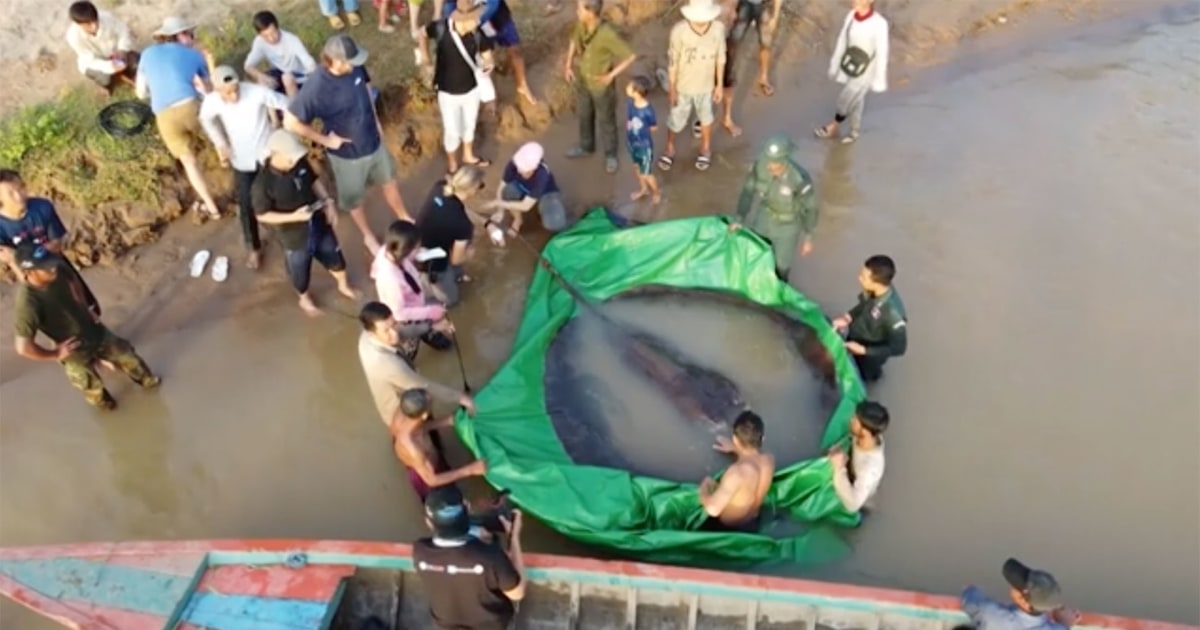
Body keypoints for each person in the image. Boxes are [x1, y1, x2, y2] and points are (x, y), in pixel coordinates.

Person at [285, 34, 412, 255]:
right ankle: (368, 236)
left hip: (374, 142)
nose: (355, 65)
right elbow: (290, 122)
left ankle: (404, 216)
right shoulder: (317, 87)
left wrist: (376, 120)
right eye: (350, 62)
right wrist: (326, 141)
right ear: (335, 61)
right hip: (348, 156)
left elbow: (366, 88)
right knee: (354, 200)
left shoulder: (355, 67)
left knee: (389, 180)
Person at [11, 243, 160, 410]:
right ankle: (107, 408)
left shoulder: (59, 268)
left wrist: (86, 308)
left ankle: (149, 383)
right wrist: (56, 354)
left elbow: (74, 283)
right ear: (29, 272)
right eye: (46, 267)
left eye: (50, 262)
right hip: (73, 350)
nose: (52, 268)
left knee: (128, 356)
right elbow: (23, 347)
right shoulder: (28, 303)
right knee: (92, 388)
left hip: (94, 331)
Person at [251, 130, 358, 316]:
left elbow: (314, 181)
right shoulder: (263, 184)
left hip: (318, 223)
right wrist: (294, 217)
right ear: (275, 154)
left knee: (336, 258)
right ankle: (304, 297)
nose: (294, 160)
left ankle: (344, 285)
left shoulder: (300, 163)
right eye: (290, 156)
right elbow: (262, 215)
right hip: (293, 236)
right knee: (300, 273)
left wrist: (328, 202)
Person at [199, 66, 290, 271]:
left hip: (267, 157)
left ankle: (290, 240)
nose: (234, 96)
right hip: (241, 161)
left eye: (236, 90)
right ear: (217, 90)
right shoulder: (211, 101)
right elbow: (206, 120)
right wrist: (220, 143)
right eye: (228, 93)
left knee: (281, 198)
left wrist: (283, 129)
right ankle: (254, 248)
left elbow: (286, 104)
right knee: (246, 205)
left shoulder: (257, 92)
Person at [136, 16, 221, 221]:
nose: (193, 38)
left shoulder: (147, 54)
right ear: (181, 35)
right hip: (189, 106)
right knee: (214, 128)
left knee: (188, 162)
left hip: (164, 116)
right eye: (191, 34)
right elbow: (210, 90)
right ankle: (221, 151)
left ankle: (212, 208)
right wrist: (210, 63)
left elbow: (140, 93)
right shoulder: (194, 56)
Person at [414, 485, 526, 630]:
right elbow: (517, 593)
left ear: (429, 522)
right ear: (467, 509)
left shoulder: (420, 551)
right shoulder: (491, 556)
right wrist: (513, 537)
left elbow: (453, 557)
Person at [357, 301, 475, 427]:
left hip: (405, 388)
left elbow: (401, 331)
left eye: (394, 324)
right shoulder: (386, 364)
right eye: (387, 331)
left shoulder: (368, 334)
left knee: (424, 421)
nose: (395, 334)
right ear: (371, 333)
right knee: (419, 427)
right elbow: (424, 385)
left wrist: (432, 327)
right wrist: (461, 398)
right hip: (402, 409)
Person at [417, 0, 496, 176]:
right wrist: (425, 59)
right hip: (447, 93)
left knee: (469, 125)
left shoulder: (477, 33)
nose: (478, 21)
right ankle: (453, 164)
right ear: (463, 19)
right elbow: (421, 33)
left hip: (472, 90)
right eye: (475, 18)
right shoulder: (441, 28)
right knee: (452, 132)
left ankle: (468, 155)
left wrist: (489, 65)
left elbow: (488, 56)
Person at [728, 134, 818, 281]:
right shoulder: (759, 166)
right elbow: (748, 192)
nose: (770, 166)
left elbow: (810, 208)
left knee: (781, 267)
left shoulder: (799, 179)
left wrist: (808, 237)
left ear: (785, 160)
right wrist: (739, 218)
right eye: (768, 160)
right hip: (765, 216)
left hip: (788, 227)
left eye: (775, 162)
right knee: (755, 255)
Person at [562, 0, 637, 175]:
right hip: (583, 80)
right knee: (584, 114)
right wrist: (568, 64)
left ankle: (611, 155)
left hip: (601, 87)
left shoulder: (607, 34)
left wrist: (610, 76)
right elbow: (574, 40)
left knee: (606, 120)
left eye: (580, 9)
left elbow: (630, 56)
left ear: (591, 12)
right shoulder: (582, 25)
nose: (577, 12)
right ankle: (586, 147)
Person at [371, 219, 456, 360]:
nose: (419, 249)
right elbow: (399, 313)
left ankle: (434, 336)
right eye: (416, 248)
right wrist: (430, 311)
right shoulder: (391, 280)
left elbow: (373, 271)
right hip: (407, 319)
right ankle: (406, 363)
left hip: (416, 306)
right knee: (410, 347)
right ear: (405, 251)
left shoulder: (387, 250)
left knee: (436, 336)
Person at [661, 0, 727, 173]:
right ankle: (669, 147)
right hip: (683, 86)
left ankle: (705, 148)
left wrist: (719, 85)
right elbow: (673, 62)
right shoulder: (679, 31)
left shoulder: (718, 29)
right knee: (676, 118)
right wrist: (672, 88)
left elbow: (720, 58)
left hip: (706, 86)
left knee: (706, 118)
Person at [814, 0, 890, 144]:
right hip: (851, 64)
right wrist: (835, 64)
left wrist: (879, 79)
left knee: (846, 98)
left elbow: (882, 52)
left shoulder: (880, 24)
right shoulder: (851, 16)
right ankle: (854, 132)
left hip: (867, 70)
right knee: (857, 101)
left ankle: (833, 126)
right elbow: (842, 41)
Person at [392, 388, 486, 501]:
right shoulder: (413, 449)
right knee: (452, 499)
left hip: (425, 456)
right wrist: (470, 470)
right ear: (424, 415)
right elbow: (432, 480)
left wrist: (448, 420)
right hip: (429, 476)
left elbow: (420, 428)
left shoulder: (406, 409)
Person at [438, 0, 537, 105]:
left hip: (497, 17)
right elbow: (450, 11)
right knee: (488, 60)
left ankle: (521, 85)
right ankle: (492, 99)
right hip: (477, 26)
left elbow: (494, 3)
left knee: (515, 51)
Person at [417, 165, 487, 308]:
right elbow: (456, 260)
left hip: (417, 243)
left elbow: (459, 207)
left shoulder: (440, 187)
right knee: (451, 299)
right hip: (434, 264)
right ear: (471, 190)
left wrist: (487, 223)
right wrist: (469, 254)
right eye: (480, 186)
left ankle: (457, 277)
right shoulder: (463, 225)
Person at [830, 255, 907, 383]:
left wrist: (864, 350)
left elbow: (899, 348)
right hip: (856, 338)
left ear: (877, 283)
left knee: (863, 379)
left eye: (864, 277)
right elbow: (865, 305)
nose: (859, 278)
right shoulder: (876, 289)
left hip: (869, 356)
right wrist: (848, 317)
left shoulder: (893, 314)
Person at [698, 411, 775, 532]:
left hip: (729, 529)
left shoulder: (737, 473)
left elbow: (713, 509)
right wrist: (735, 449)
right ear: (762, 438)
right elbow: (752, 457)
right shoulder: (768, 460)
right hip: (753, 521)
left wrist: (703, 489)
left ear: (735, 439)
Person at [718, 0, 782, 138]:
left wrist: (775, 16)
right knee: (731, 49)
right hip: (743, 4)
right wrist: (732, 7)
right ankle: (726, 116)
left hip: (764, 5)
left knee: (766, 43)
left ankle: (763, 78)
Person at [961, 558, 1082, 629]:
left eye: (1016, 586)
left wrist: (970, 590)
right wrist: (1065, 623)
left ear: (1024, 602)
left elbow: (969, 594)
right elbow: (1065, 624)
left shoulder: (989, 612)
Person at [484, 142, 567, 234]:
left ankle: (545, 209)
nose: (519, 171)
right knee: (507, 191)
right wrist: (500, 211)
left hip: (546, 194)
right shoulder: (514, 164)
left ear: (533, 168)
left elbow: (526, 206)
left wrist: (499, 203)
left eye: (523, 169)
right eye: (518, 167)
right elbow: (501, 187)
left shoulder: (542, 175)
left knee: (555, 223)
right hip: (523, 188)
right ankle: (518, 220)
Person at [827, 401, 888, 514]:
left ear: (865, 432)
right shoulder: (870, 436)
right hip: (853, 472)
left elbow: (852, 505)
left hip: (859, 498)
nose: (851, 420)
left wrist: (838, 468)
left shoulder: (869, 469)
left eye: (855, 420)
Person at [65, 1, 138, 94]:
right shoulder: (73, 37)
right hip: (95, 61)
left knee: (136, 62)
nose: (94, 26)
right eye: (88, 24)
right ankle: (105, 87)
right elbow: (90, 60)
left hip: (114, 52)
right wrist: (110, 66)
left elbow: (123, 31)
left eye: (95, 20)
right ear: (78, 24)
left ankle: (130, 74)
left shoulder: (106, 17)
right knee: (105, 79)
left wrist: (122, 49)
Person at [244, 11, 318, 98]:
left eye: (273, 33)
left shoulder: (291, 40)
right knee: (262, 84)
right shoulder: (260, 42)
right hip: (278, 73)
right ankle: (274, 106)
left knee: (287, 78)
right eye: (266, 36)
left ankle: (294, 104)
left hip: (298, 75)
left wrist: (312, 74)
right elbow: (248, 66)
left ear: (277, 27)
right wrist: (260, 76)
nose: (271, 39)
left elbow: (308, 62)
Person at [625, 76, 660, 203]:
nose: (627, 87)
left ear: (637, 92)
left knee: (646, 173)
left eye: (630, 86)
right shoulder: (630, 103)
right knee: (636, 168)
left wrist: (640, 129)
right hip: (632, 142)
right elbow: (629, 119)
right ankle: (644, 189)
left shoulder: (648, 111)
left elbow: (654, 127)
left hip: (644, 147)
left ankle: (656, 193)